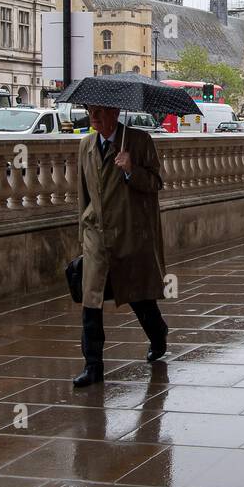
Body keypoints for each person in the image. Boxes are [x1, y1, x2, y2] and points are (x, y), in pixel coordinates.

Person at [73, 104, 170, 388]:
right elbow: (83, 193)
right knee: (91, 300)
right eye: (90, 111)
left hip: (129, 232)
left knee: (138, 295)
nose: (93, 117)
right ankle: (93, 366)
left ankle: (158, 333)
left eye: (100, 112)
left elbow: (155, 183)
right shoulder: (86, 145)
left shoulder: (139, 142)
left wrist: (131, 169)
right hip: (96, 234)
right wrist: (82, 232)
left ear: (115, 113)